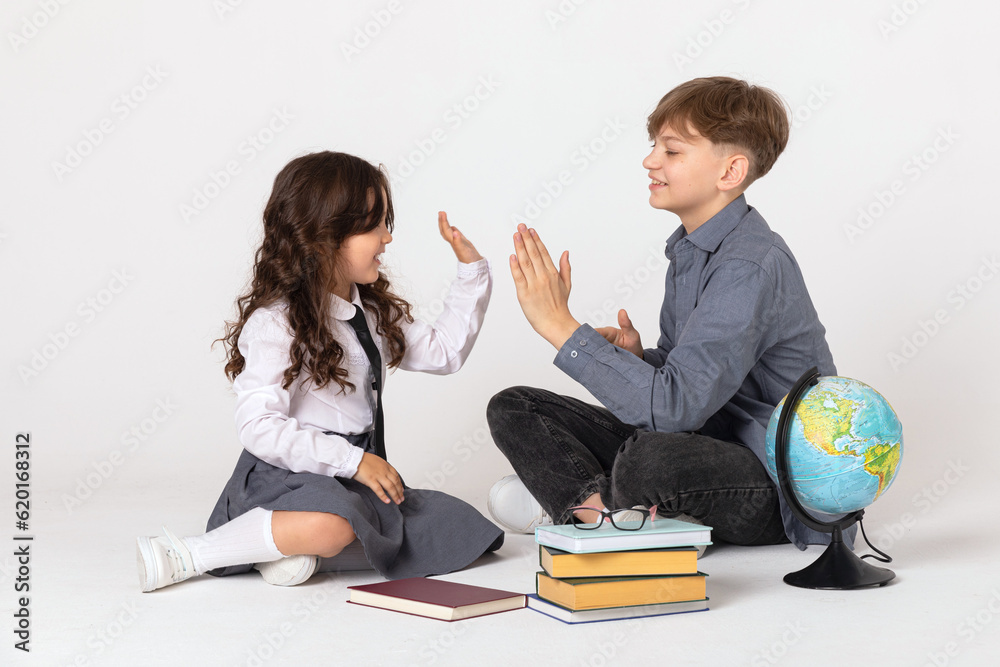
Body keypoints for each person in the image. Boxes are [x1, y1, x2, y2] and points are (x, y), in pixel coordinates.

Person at [487, 76, 851, 552]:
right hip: (707, 438)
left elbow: (675, 410)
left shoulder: (748, 264)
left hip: (772, 478)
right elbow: (691, 385)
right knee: (515, 406)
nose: (649, 160)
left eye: (672, 151)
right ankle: (599, 516)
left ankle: (599, 507)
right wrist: (641, 361)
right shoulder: (691, 250)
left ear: (730, 172)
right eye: (653, 146)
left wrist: (560, 326)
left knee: (649, 462)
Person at [137, 151, 502, 592]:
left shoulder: (369, 312)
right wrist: (351, 461)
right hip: (288, 477)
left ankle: (292, 553)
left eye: (387, 223)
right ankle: (191, 553)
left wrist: (471, 272)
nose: (387, 237)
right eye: (374, 225)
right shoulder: (276, 322)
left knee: (462, 529)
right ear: (324, 235)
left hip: (354, 477)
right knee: (333, 524)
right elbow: (258, 427)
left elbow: (445, 353)